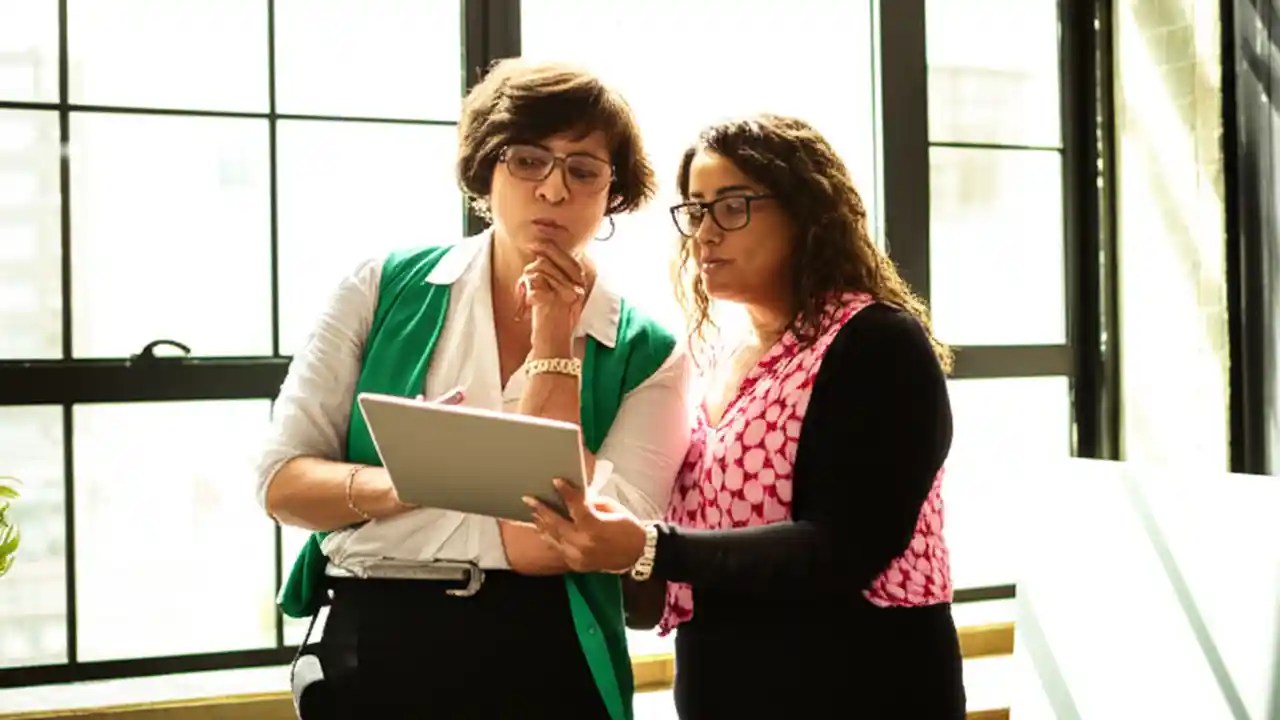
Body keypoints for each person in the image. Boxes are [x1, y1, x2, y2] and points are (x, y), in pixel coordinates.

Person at [255, 58, 692, 719]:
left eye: (583, 170)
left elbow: (553, 546)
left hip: (544, 645)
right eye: (527, 160)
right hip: (371, 635)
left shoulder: (648, 352)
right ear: (487, 169)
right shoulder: (381, 289)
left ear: (612, 193)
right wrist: (407, 481)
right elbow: (283, 486)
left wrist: (554, 345)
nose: (553, 190)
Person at [525, 113, 966, 718]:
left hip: (860, 687)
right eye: (696, 209)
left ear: (807, 215)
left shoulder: (877, 343)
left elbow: (844, 547)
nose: (705, 233)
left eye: (732, 206)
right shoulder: (714, 359)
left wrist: (652, 547)